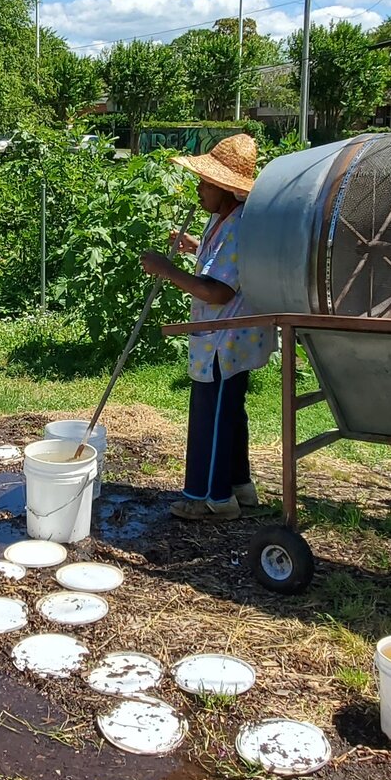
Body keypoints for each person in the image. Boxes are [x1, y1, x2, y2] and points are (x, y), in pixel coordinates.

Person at [138, 133, 269, 521]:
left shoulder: (237, 226)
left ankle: (210, 500)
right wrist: (196, 247)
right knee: (230, 415)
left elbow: (218, 292)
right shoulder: (224, 218)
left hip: (223, 343)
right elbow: (224, 264)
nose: (198, 189)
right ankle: (239, 487)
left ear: (225, 189)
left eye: (205, 184)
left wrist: (166, 269)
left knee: (211, 419)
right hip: (229, 340)